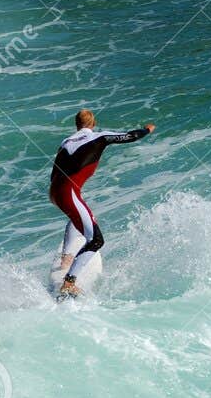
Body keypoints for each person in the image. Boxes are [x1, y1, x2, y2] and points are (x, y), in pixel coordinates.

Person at [48, 109, 154, 297]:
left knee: (78, 215)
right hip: (68, 192)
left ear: (76, 125)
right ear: (93, 123)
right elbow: (130, 136)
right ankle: (69, 282)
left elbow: (54, 174)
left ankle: (66, 259)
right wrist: (146, 130)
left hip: (55, 192)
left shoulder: (65, 143)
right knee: (96, 240)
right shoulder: (100, 136)